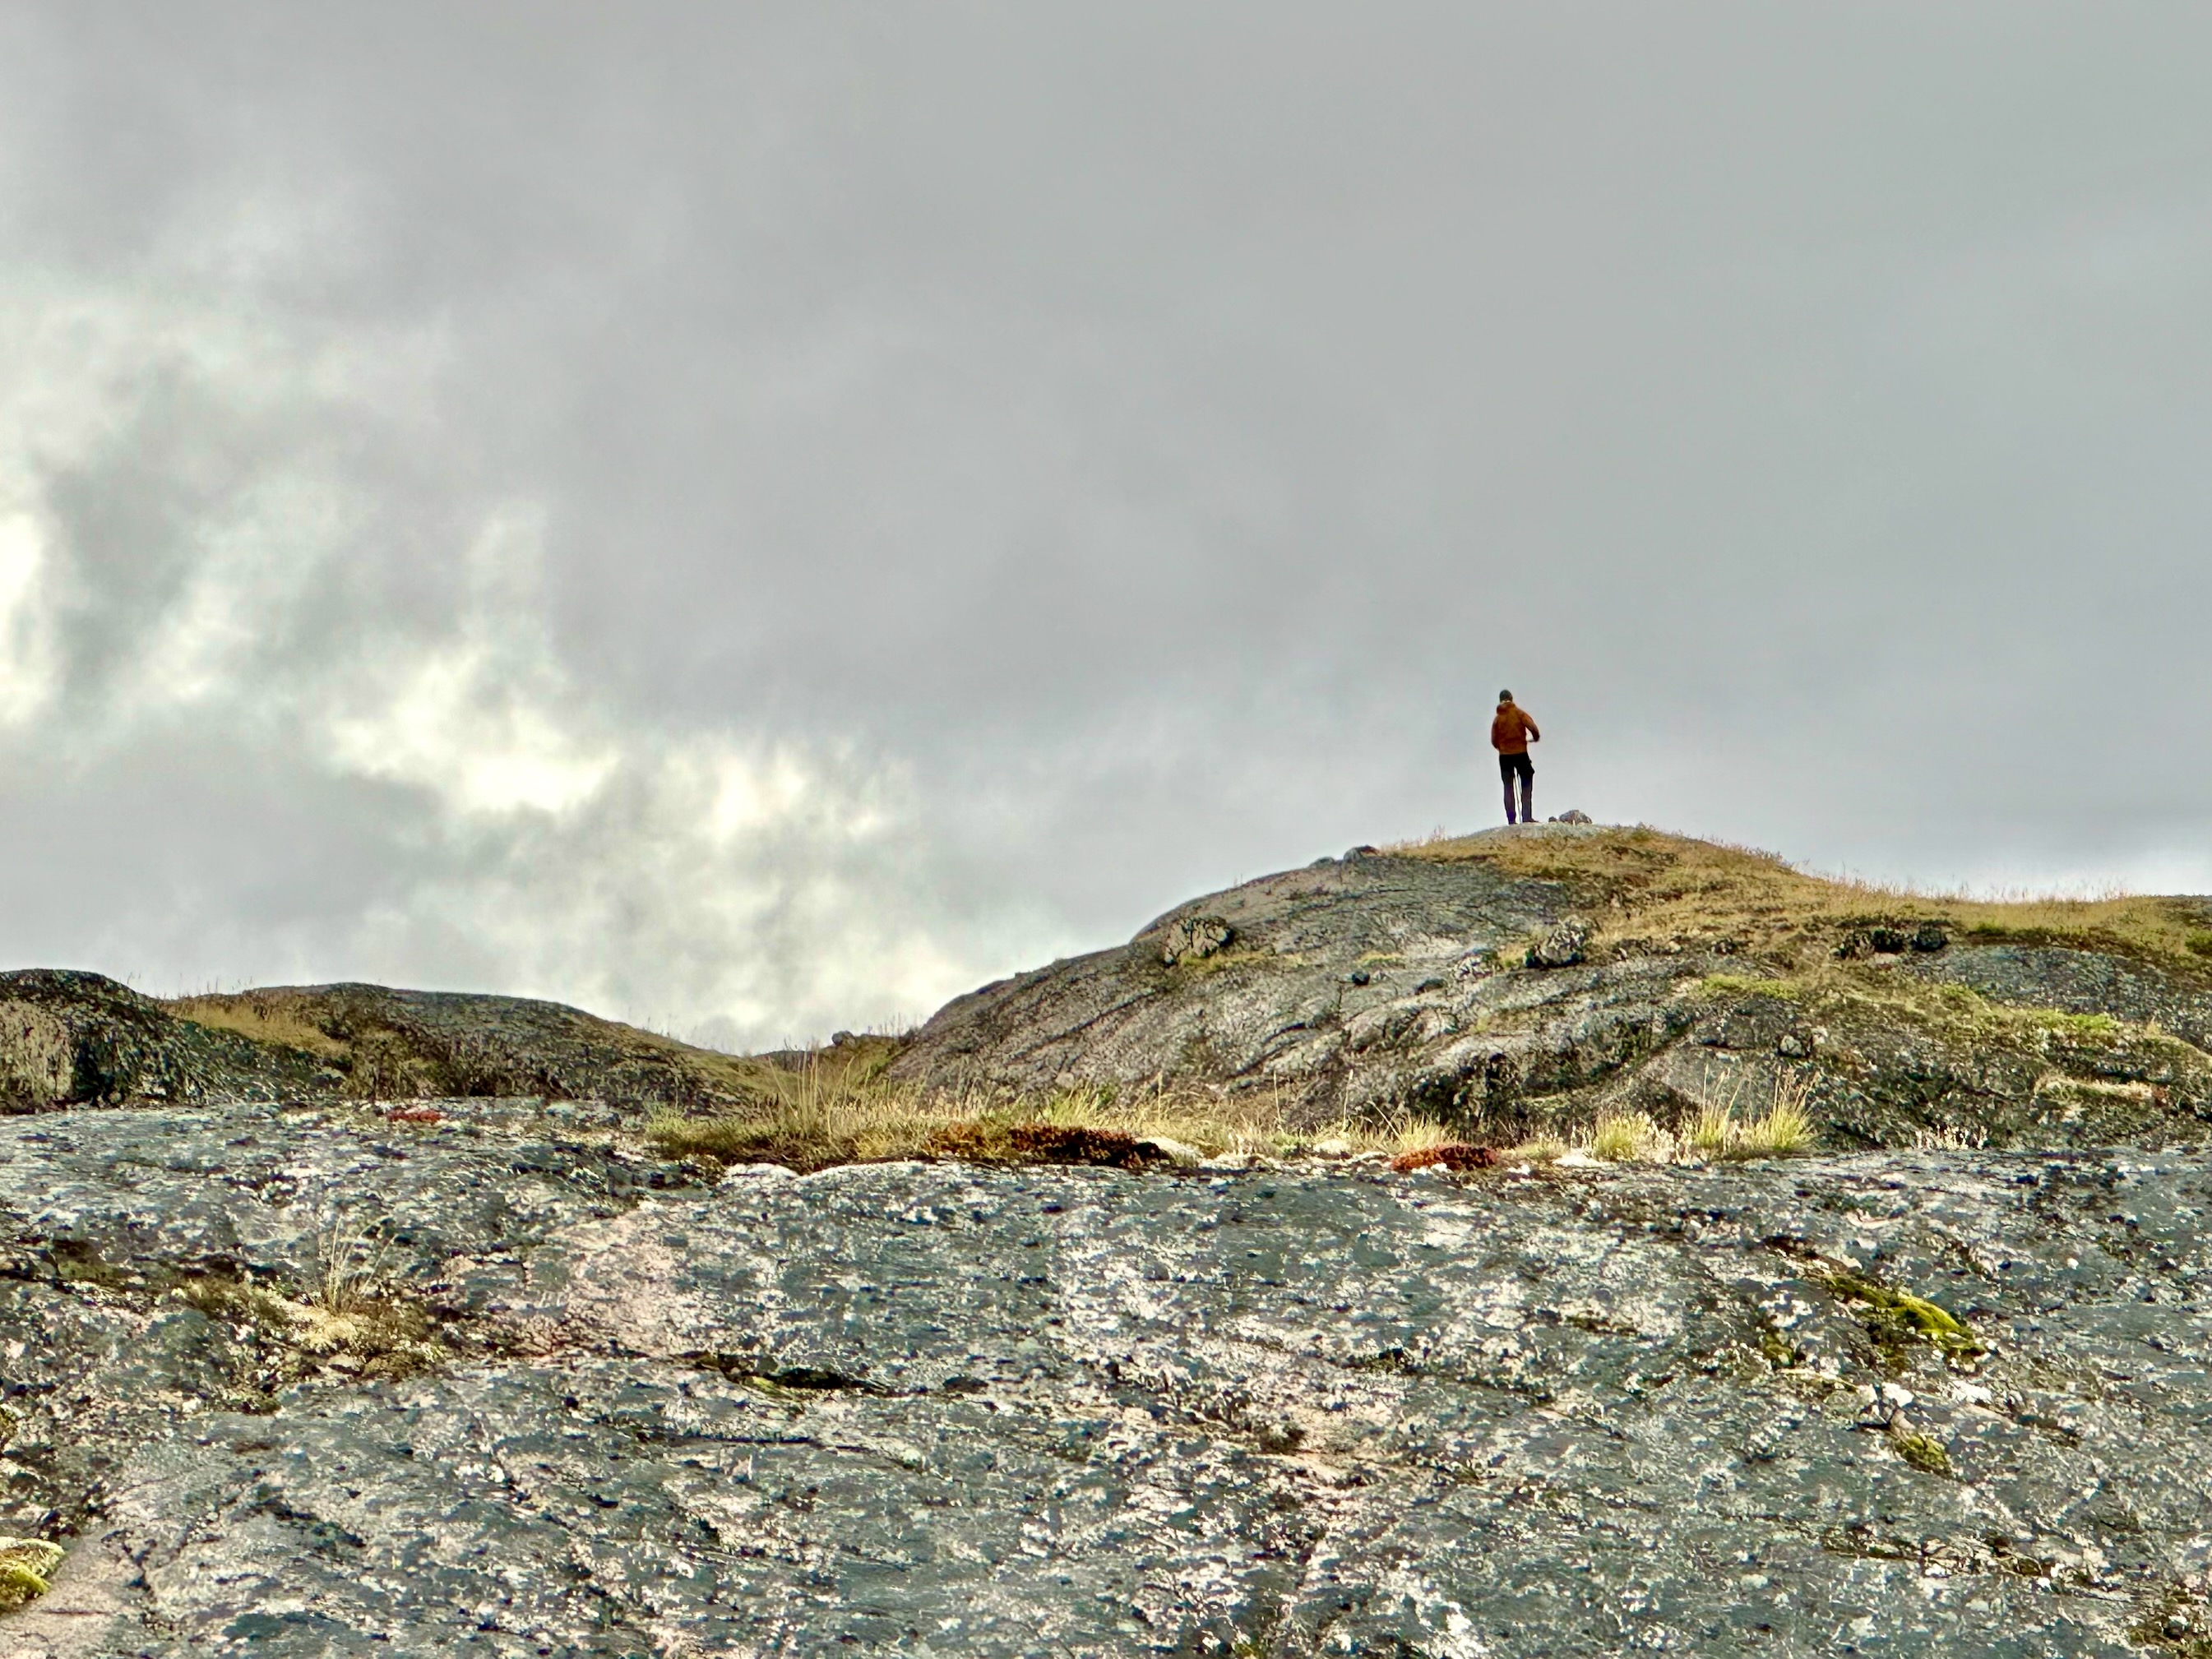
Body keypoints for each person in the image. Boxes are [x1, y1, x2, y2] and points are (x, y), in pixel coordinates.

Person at [1490, 689, 1540, 824]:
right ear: (1511, 699)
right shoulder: (1519, 714)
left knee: (1508, 786)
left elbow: (1494, 741)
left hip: (1505, 756)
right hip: (1520, 753)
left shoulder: (1497, 719)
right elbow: (1533, 728)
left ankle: (1511, 820)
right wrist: (1535, 738)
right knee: (1526, 779)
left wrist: (1503, 747)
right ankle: (1527, 817)